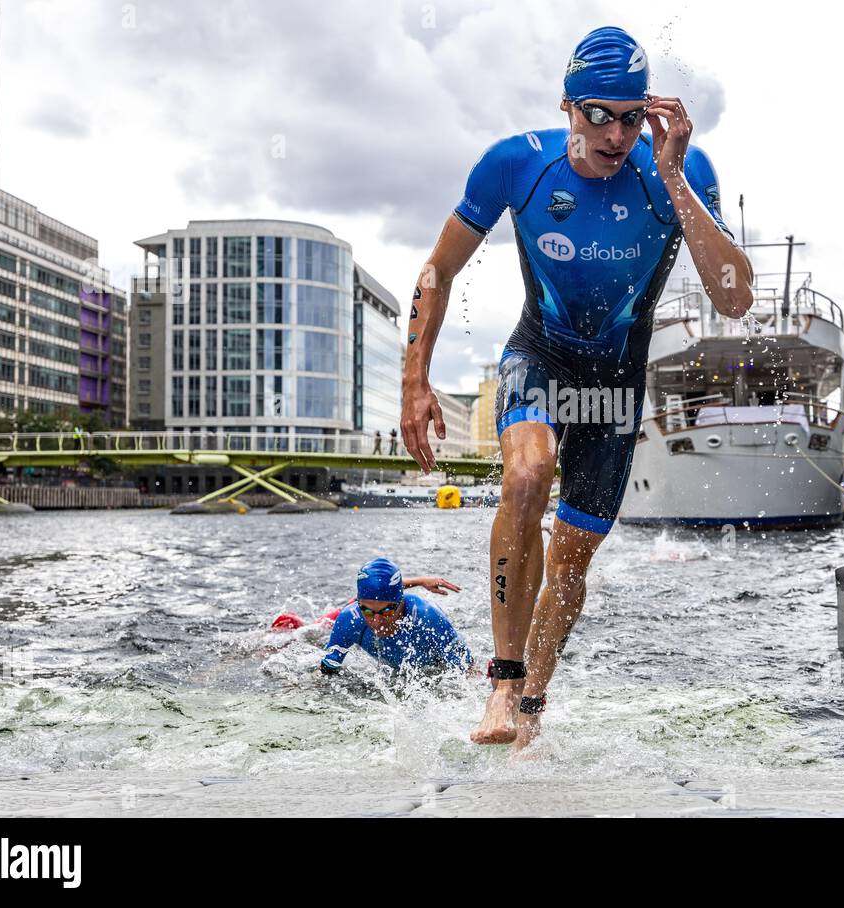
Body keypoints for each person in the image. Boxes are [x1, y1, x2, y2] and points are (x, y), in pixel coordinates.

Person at [400, 26, 752, 751]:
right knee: (526, 475)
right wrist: (416, 381)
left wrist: (679, 178)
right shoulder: (516, 166)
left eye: (631, 116)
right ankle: (501, 681)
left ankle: (532, 699)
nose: (616, 134)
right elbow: (436, 271)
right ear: (567, 105)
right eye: (598, 113)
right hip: (541, 354)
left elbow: (735, 298)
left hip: (617, 381)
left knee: (570, 559)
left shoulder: (675, 171)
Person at [310, 557, 475, 674]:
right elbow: (327, 669)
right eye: (367, 611)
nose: (377, 621)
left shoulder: (427, 617)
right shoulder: (350, 618)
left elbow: (468, 670)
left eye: (387, 611)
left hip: (434, 667)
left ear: (400, 602)